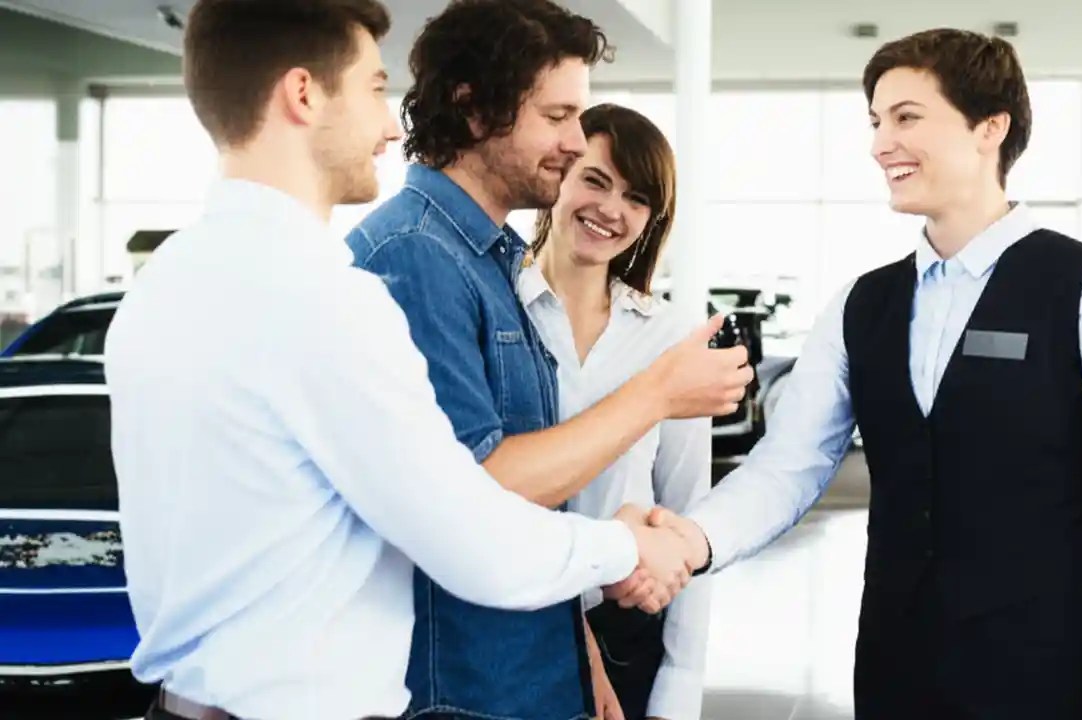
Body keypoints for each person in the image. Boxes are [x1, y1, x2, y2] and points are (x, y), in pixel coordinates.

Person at [104, 2, 697, 719]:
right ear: (303, 94)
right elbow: (470, 534)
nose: (391, 125)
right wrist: (628, 545)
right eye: (372, 89)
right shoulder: (327, 297)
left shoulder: (162, 284)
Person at [647, 28, 1082, 720]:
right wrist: (689, 542)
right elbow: (785, 468)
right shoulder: (862, 303)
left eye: (907, 117)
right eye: (876, 121)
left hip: (1047, 672)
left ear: (989, 128)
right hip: (895, 671)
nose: (880, 144)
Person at [346, 2, 749, 719]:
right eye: (558, 116)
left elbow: (532, 514)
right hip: (466, 689)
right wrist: (656, 401)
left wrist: (579, 643)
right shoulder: (417, 257)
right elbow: (481, 495)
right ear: (474, 111)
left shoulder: (482, 264)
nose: (574, 142)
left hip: (529, 671)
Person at [519, 103, 711, 720]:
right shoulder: (496, 309)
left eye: (636, 198)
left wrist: (681, 682)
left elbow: (686, 511)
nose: (611, 210)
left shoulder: (668, 335)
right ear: (558, 179)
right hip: (510, 621)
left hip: (628, 625)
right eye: (595, 180)